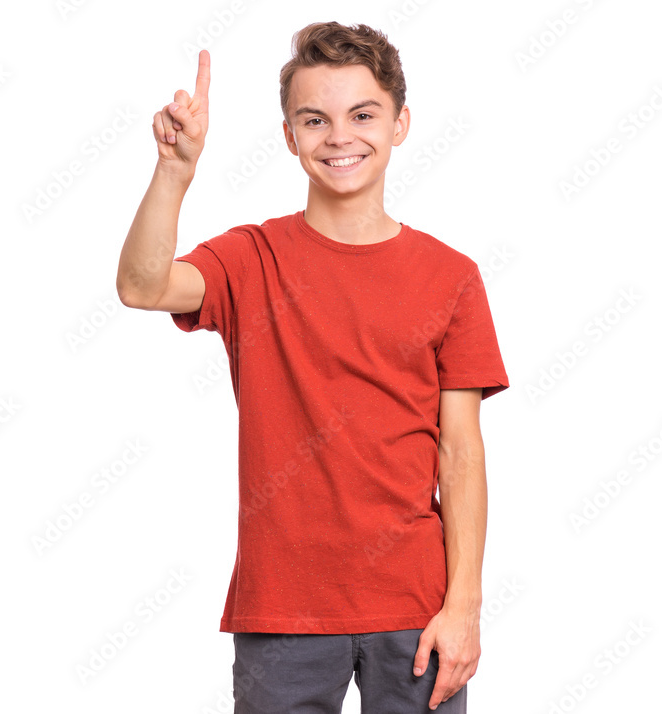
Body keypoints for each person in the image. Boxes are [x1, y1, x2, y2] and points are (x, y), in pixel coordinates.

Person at [116, 21, 509, 713]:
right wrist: (176, 172)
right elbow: (143, 286)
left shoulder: (452, 278)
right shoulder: (251, 258)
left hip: (417, 608)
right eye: (315, 119)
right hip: (284, 611)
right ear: (291, 135)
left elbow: (461, 453)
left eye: (362, 115)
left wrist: (465, 608)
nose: (340, 136)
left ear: (400, 123)